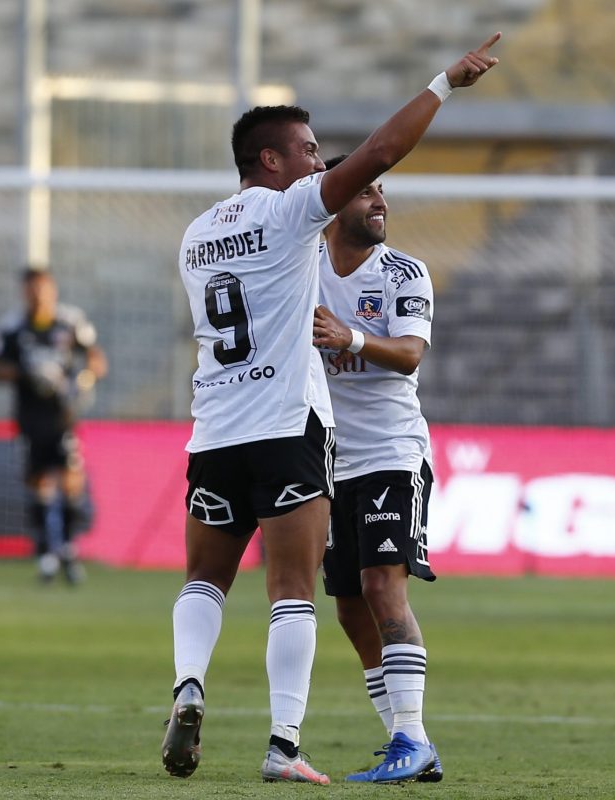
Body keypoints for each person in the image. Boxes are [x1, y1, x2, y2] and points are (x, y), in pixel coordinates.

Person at [161, 33, 501, 784]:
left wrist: (350, 335)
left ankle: (189, 684)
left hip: (217, 427)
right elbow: (380, 151)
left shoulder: (196, 235)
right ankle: (284, 745)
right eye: (309, 152)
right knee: (300, 592)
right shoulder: (292, 222)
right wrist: (444, 83)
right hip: (289, 428)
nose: (321, 166)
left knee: (205, 579)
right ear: (271, 161)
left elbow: (403, 349)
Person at [310, 155, 440, 784]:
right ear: (334, 203)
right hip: (327, 460)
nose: (379, 201)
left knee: (383, 587)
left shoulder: (402, 272)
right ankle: (407, 742)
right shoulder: (300, 267)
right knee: (349, 606)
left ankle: (411, 737)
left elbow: (411, 354)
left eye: (381, 190)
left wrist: (351, 338)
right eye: (365, 192)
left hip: (391, 452)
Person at [0, 267, 107, 585]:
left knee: (70, 479)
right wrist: (27, 373)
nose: (39, 295)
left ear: (53, 290)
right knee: (38, 480)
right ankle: (46, 553)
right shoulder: (12, 326)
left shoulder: (71, 322)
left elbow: (96, 359)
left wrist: (84, 379)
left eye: (43, 288)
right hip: (30, 416)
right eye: (32, 289)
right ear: (24, 292)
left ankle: (67, 548)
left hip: (63, 415)